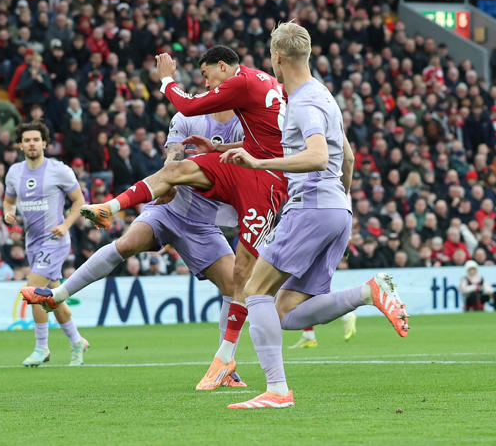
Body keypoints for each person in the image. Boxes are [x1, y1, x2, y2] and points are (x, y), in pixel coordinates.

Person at [199, 22, 409, 409]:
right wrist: (340, 199)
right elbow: (347, 156)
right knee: (286, 312)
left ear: (278, 58)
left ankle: (277, 390)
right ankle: (368, 292)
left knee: (253, 291)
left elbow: (318, 156)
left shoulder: (304, 102)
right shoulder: (324, 96)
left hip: (310, 206)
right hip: (334, 210)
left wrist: (260, 165)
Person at [78, 46, 288, 371]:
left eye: (207, 75)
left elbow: (188, 104)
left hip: (265, 180)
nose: (206, 83)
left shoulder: (240, 84)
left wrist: (166, 81)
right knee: (174, 173)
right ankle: (110, 206)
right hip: (248, 170)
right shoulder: (262, 83)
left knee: (254, 285)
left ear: (223, 66)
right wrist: (219, 148)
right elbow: (257, 142)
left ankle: (239, 363)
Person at [22, 110, 249, 387]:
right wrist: (169, 178)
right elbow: (174, 155)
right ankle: (58, 295)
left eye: (210, 77)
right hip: (167, 209)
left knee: (235, 287)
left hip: (203, 224)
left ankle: (225, 366)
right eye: (204, 77)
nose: (208, 84)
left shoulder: (245, 121)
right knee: (126, 243)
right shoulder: (188, 115)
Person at [3, 121, 90, 367]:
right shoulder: (14, 173)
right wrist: (8, 212)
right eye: (26, 140)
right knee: (54, 297)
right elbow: (8, 201)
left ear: (44, 143)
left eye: (36, 140)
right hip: (32, 243)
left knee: (34, 290)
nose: (31, 144)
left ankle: (42, 348)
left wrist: (65, 225)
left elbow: (79, 202)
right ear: (20, 145)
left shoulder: (59, 170)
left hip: (55, 240)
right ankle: (77, 341)